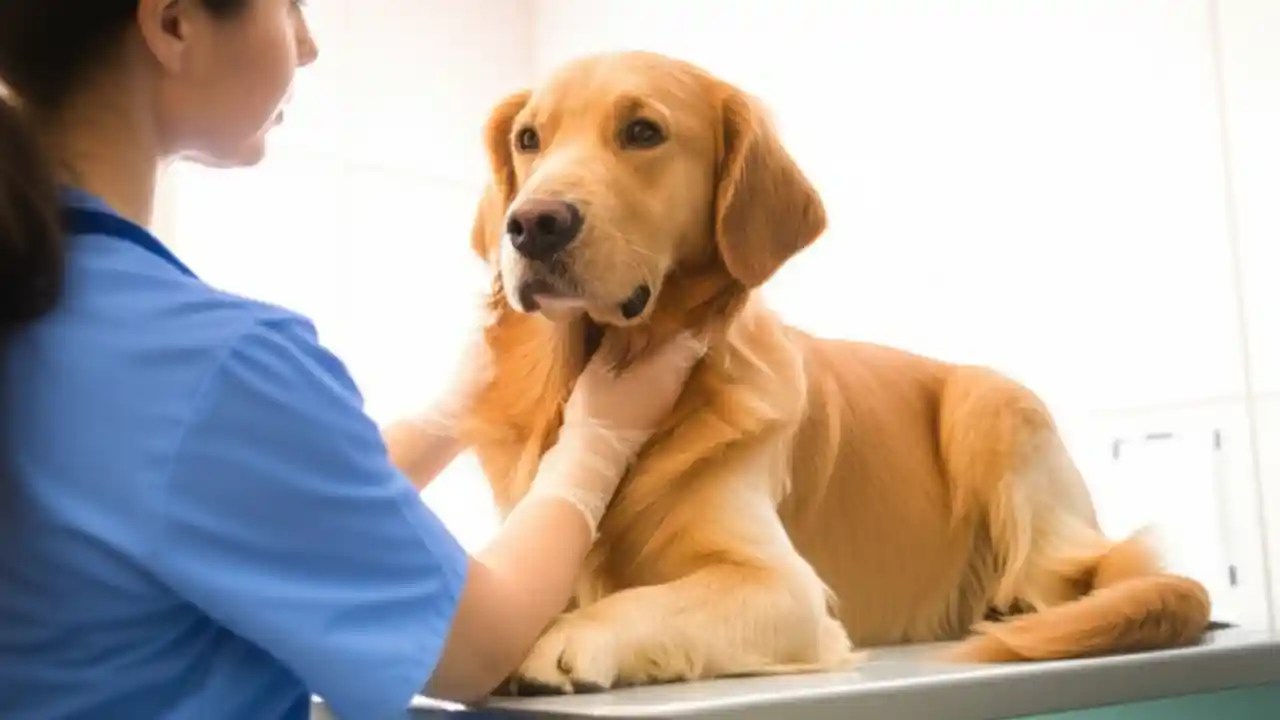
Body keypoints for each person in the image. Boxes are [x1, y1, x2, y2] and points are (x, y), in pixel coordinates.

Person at [0, 2, 704, 719]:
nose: (307, 46)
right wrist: (595, 447)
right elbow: (477, 647)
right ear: (175, 23)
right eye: (290, 7)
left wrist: (445, 420)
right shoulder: (218, 364)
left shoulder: (52, 310)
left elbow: (241, 505)